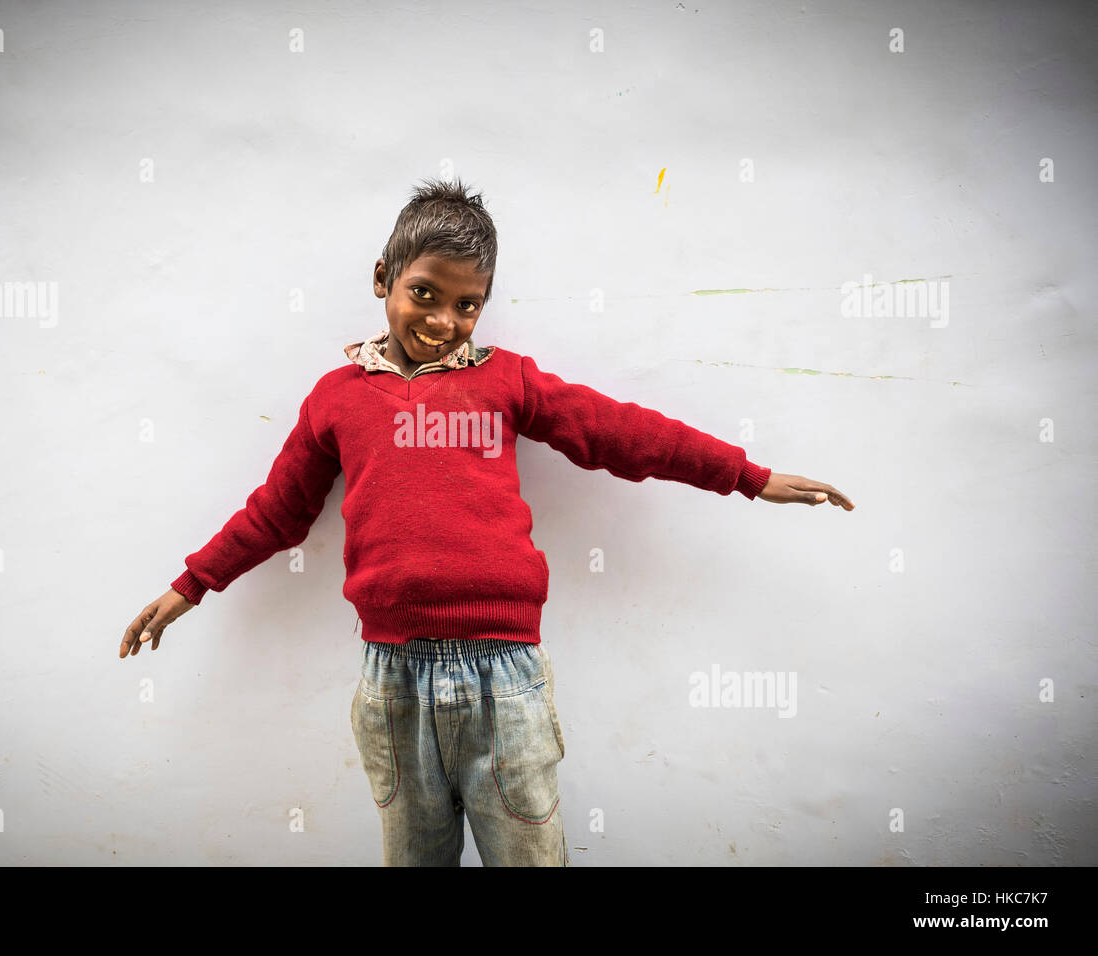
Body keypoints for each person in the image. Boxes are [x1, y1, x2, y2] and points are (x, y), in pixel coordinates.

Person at [119, 177, 854, 866]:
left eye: (467, 305)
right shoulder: (336, 399)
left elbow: (617, 431)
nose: (443, 322)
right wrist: (190, 585)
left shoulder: (505, 380)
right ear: (383, 279)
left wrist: (746, 476)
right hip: (392, 681)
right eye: (424, 293)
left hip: (505, 678)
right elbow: (278, 512)